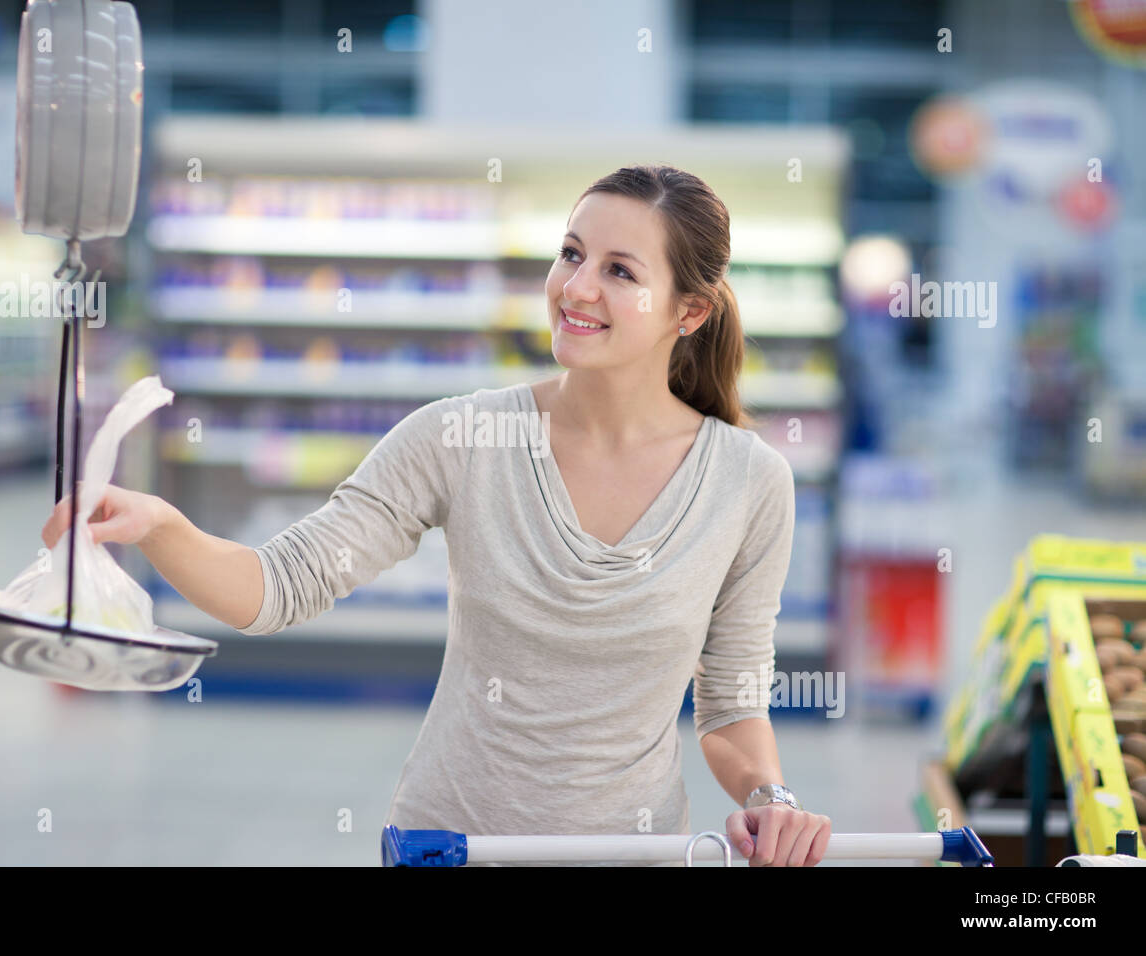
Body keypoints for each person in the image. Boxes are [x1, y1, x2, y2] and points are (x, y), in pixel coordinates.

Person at [43, 163, 831, 867]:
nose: (577, 287)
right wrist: (160, 526)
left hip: (633, 851)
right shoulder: (459, 437)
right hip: (448, 848)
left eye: (620, 270)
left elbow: (730, 707)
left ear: (688, 314)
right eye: (570, 253)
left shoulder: (749, 483)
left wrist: (770, 801)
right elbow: (283, 584)